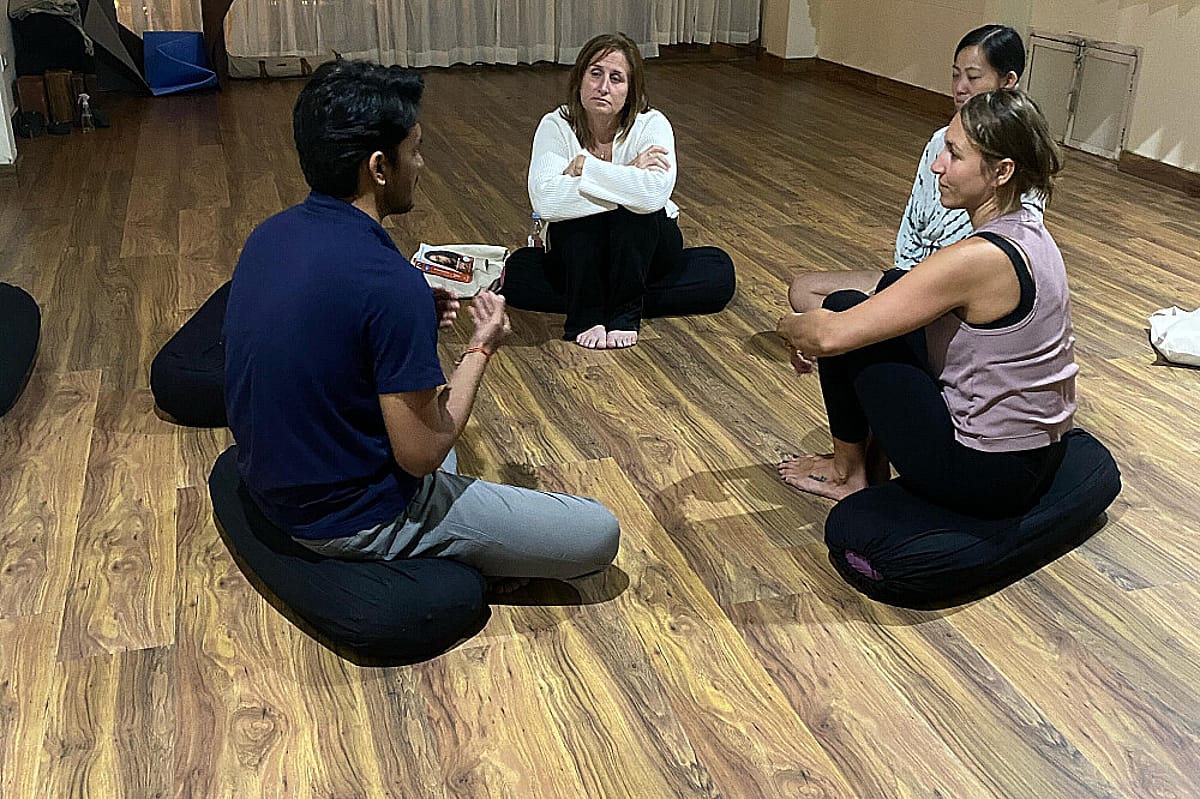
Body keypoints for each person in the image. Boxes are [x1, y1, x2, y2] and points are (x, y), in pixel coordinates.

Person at [223, 59, 620, 582]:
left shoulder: (268, 236)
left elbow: (334, 343)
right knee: (596, 533)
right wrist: (480, 348)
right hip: (345, 520)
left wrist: (406, 327)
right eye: (414, 150)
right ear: (379, 167)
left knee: (445, 442)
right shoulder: (392, 283)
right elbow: (422, 455)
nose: (422, 165)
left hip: (271, 483)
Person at [776, 88, 1074, 521]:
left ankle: (848, 475)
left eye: (953, 154)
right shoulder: (1031, 231)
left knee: (842, 313)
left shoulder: (979, 258)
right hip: (1039, 453)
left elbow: (827, 334)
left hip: (990, 473)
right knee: (887, 289)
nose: (937, 165)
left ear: (1002, 171)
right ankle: (857, 467)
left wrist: (790, 326)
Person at [501, 32, 734, 349]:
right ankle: (597, 310)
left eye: (616, 78)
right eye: (595, 74)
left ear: (630, 90)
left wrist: (585, 169)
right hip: (577, 253)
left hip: (645, 249)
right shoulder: (555, 125)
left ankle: (616, 310)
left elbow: (653, 196)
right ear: (580, 78)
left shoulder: (652, 124)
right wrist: (627, 176)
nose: (603, 87)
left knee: (640, 218)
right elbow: (546, 202)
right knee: (572, 230)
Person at [787, 25, 1033, 318]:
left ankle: (860, 334)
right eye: (956, 75)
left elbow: (992, 260)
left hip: (956, 292)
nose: (960, 87)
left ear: (1008, 81)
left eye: (973, 77)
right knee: (804, 289)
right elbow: (913, 223)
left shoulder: (1019, 161)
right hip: (913, 276)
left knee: (843, 316)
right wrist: (903, 280)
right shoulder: (940, 140)